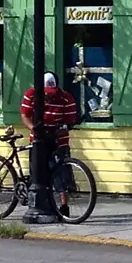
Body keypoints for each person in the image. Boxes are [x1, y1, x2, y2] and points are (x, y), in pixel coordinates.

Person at [20, 72, 79, 211]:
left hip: (58, 138)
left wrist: (59, 131)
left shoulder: (66, 98)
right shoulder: (31, 94)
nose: (48, 95)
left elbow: (70, 121)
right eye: (45, 92)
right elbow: (25, 115)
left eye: (51, 92)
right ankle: (38, 202)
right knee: (38, 173)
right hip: (38, 138)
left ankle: (64, 206)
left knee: (60, 174)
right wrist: (34, 129)